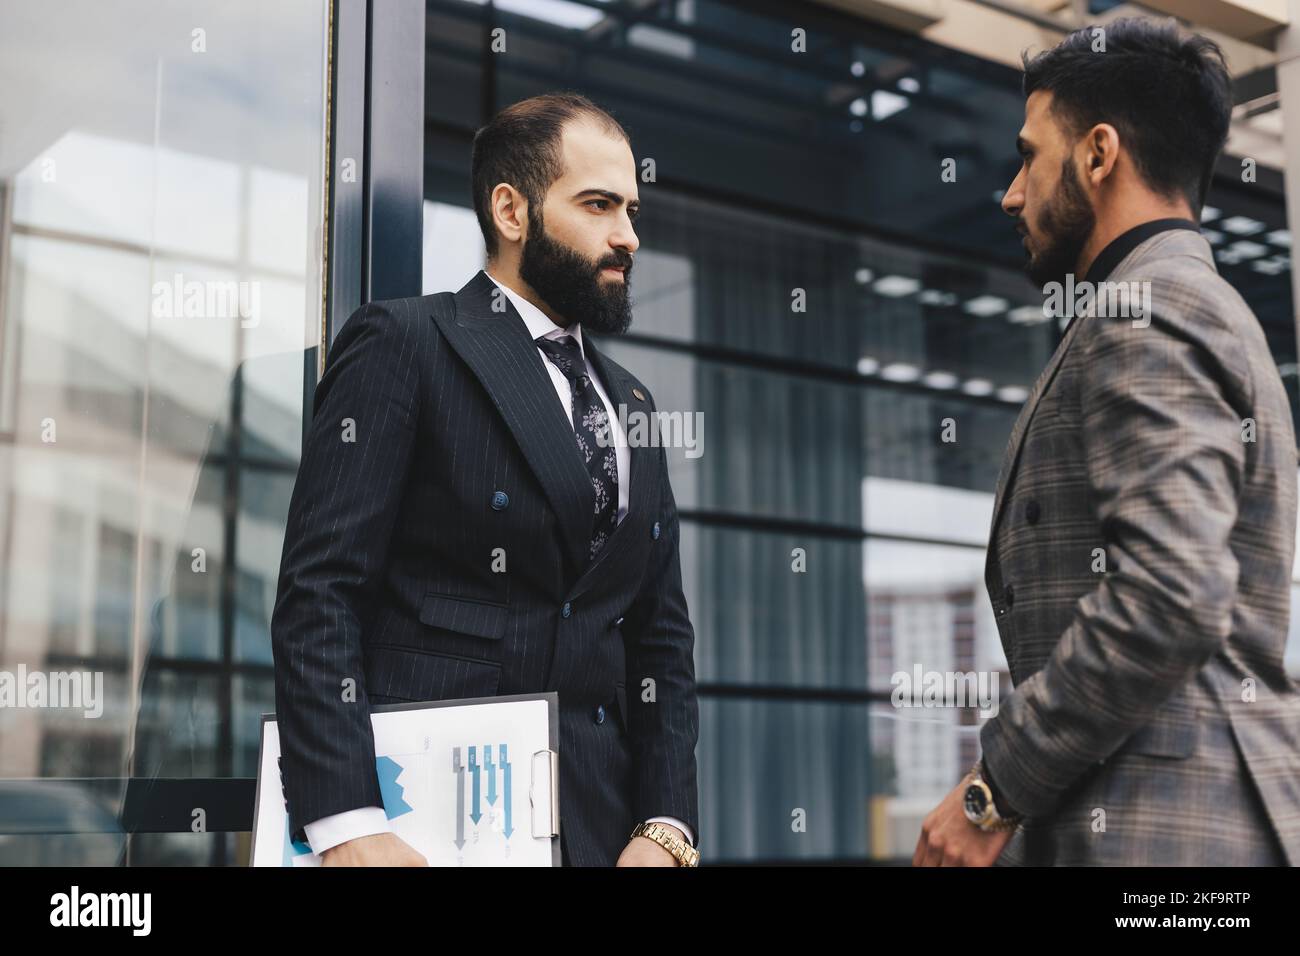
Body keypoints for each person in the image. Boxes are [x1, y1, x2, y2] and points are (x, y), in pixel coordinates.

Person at [271, 93, 700, 867]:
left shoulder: (633, 400)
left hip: (607, 840)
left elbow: (660, 637)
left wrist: (667, 828)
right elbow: (321, 592)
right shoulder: (404, 342)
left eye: (632, 209)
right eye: (599, 205)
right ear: (511, 209)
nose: (628, 235)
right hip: (422, 830)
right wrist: (345, 822)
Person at [915, 17, 1299, 866]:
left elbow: (1171, 592)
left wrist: (993, 793)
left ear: (1097, 155)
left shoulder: (1149, 309)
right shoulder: (1185, 302)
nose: (1012, 193)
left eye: (1029, 154)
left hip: (1170, 840)